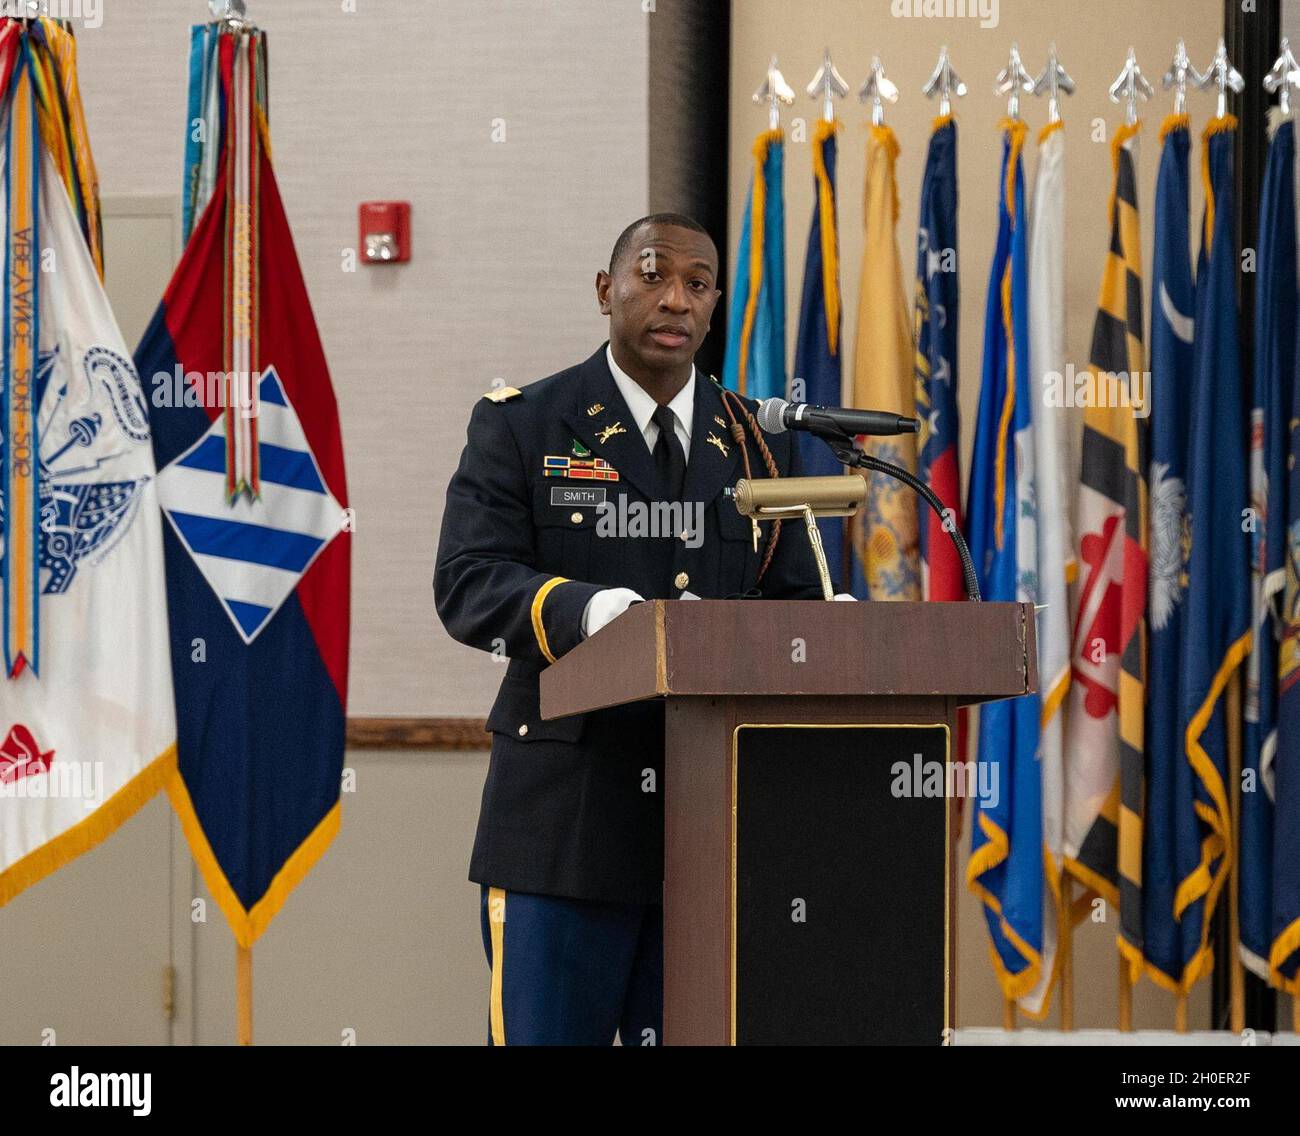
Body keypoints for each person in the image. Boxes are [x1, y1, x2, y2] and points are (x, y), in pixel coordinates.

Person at [434, 212, 824, 1045]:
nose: (675, 297)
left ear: (716, 305)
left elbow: (791, 604)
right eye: (653, 275)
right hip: (563, 826)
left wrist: (832, 630)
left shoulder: (756, 444)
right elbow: (468, 583)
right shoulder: (526, 423)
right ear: (606, 290)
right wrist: (590, 610)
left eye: (698, 283)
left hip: (712, 832)